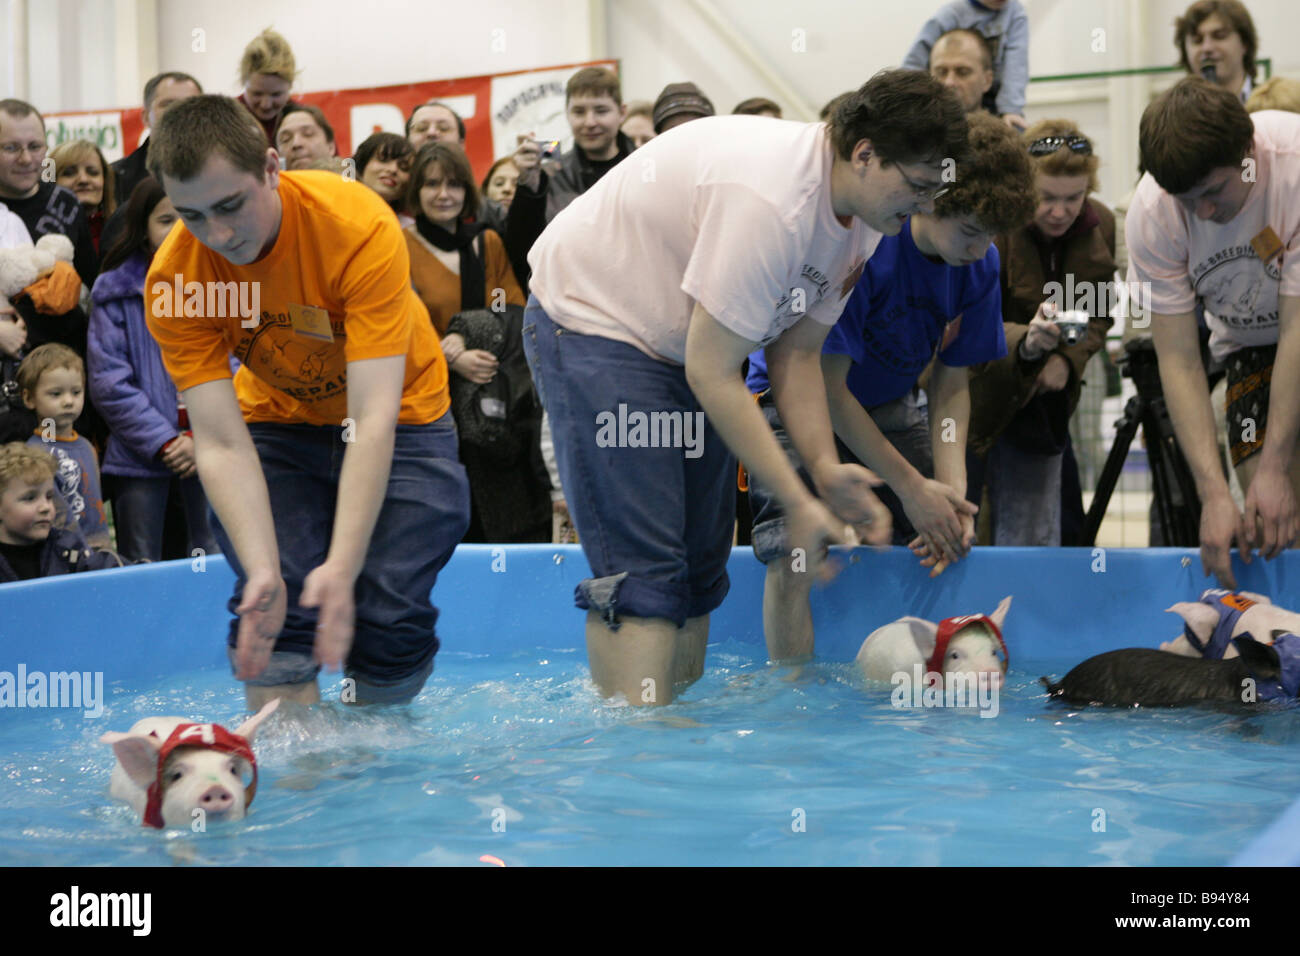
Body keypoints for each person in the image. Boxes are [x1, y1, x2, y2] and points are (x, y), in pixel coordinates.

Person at [523, 69, 968, 705]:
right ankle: (630, 775)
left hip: (684, 344)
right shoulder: (774, 201)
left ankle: (673, 749)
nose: (925, 205)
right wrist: (798, 500)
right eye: (919, 186)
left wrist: (822, 468)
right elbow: (714, 370)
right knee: (647, 573)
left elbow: (798, 353)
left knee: (700, 574)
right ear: (865, 153)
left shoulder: (866, 215)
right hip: (596, 323)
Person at [144, 95, 470, 708]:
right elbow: (217, 439)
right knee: (277, 604)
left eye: (230, 205)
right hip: (277, 421)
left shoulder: (354, 224)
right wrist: (263, 568)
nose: (217, 234)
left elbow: (371, 419)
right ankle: (298, 788)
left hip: (403, 414)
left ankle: (379, 768)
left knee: (388, 610)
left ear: (272, 167)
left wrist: (343, 566)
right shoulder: (176, 281)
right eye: (190, 215)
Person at [749, 110, 1035, 659]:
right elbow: (828, 393)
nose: (982, 250)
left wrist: (949, 496)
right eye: (972, 231)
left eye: (993, 236)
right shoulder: (869, 247)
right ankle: (792, 701)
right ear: (930, 201)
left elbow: (953, 385)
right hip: (793, 403)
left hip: (887, 404)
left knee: (943, 539)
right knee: (795, 553)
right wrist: (909, 485)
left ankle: (912, 671)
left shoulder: (979, 264)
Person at [1127, 77, 1300, 587]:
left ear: (1248, 151)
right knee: (1270, 525)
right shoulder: (1154, 213)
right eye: (1186, 198)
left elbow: (1296, 332)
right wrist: (1215, 494)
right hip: (1247, 349)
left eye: (1213, 192)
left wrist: (1275, 468)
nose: (1202, 212)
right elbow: (1179, 360)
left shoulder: (1293, 165)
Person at [966, 119, 1115, 546]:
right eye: (1046, 198)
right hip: (974, 390)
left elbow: (1098, 311)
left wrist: (1067, 360)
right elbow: (967, 321)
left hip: (1044, 403)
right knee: (964, 520)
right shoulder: (994, 225)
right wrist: (1026, 346)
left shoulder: (1100, 225)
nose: (1060, 211)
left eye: (1074, 198)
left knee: (1042, 530)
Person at [404, 142, 548, 544]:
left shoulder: (487, 243)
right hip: (428, 407)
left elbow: (515, 313)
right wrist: (448, 358)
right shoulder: (398, 246)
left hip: (494, 405)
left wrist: (465, 337)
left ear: (468, 190)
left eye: (453, 184)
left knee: (503, 528)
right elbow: (395, 323)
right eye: (432, 184)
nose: (444, 194)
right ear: (416, 192)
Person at [88, 177, 218, 563]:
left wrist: (199, 437)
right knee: (139, 562)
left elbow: (239, 367)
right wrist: (165, 442)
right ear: (142, 230)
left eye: (189, 217)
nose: (180, 228)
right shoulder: (114, 290)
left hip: (211, 448)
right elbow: (109, 382)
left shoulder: (223, 283)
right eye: (166, 219)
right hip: (139, 456)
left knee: (213, 557)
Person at [507, 67, 636, 290]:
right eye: (578, 112)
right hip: (573, 300)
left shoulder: (643, 168)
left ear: (622, 113)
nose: (590, 122)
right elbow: (525, 250)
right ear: (567, 114)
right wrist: (528, 187)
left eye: (601, 110)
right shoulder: (550, 174)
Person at [18, 343, 110, 549]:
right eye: (56, 394)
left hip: (99, 547)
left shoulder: (86, 447)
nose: (68, 401)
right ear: (29, 398)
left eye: (76, 392)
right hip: (60, 553)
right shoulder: (34, 454)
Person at [0, 442, 124, 582]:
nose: (45, 507)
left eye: (49, 497)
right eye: (30, 498)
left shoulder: (68, 549)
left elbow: (104, 568)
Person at [902, 0, 1029, 130]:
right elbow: (914, 63)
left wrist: (1011, 109)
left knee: (1011, 127)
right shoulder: (951, 13)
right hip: (946, 106)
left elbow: (1016, 65)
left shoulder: (1015, 12)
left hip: (993, 100)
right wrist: (911, 104)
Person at [111, 72, 203, 207]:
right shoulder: (114, 179)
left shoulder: (226, 174)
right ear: (146, 117)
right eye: (168, 104)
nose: (180, 111)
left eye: (190, 104)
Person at [1175, 0, 1259, 104]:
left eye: (1219, 36)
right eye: (1197, 40)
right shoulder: (1172, 114)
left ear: (1244, 43)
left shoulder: (1273, 107)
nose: (1207, 48)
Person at [51, 141, 116, 254]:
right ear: (51, 182)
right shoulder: (38, 236)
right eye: (69, 173)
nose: (83, 180)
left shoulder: (124, 233)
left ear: (104, 181)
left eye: (93, 172)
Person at [237, 28, 297, 145]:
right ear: (244, 83)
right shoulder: (227, 119)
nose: (266, 104)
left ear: (290, 86)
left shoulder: (306, 119)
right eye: (257, 94)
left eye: (276, 94)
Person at [927, 29, 995, 114]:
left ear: (987, 81)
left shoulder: (1006, 126)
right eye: (941, 72)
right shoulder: (912, 126)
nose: (949, 83)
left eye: (963, 72)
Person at [353, 132, 415, 225]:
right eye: (383, 160)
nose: (393, 169)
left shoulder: (410, 232)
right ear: (362, 163)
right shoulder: (332, 209)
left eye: (404, 166)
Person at [274, 104, 337, 171]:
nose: (296, 143)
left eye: (308, 134)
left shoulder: (346, 180)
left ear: (331, 147)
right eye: (285, 139)